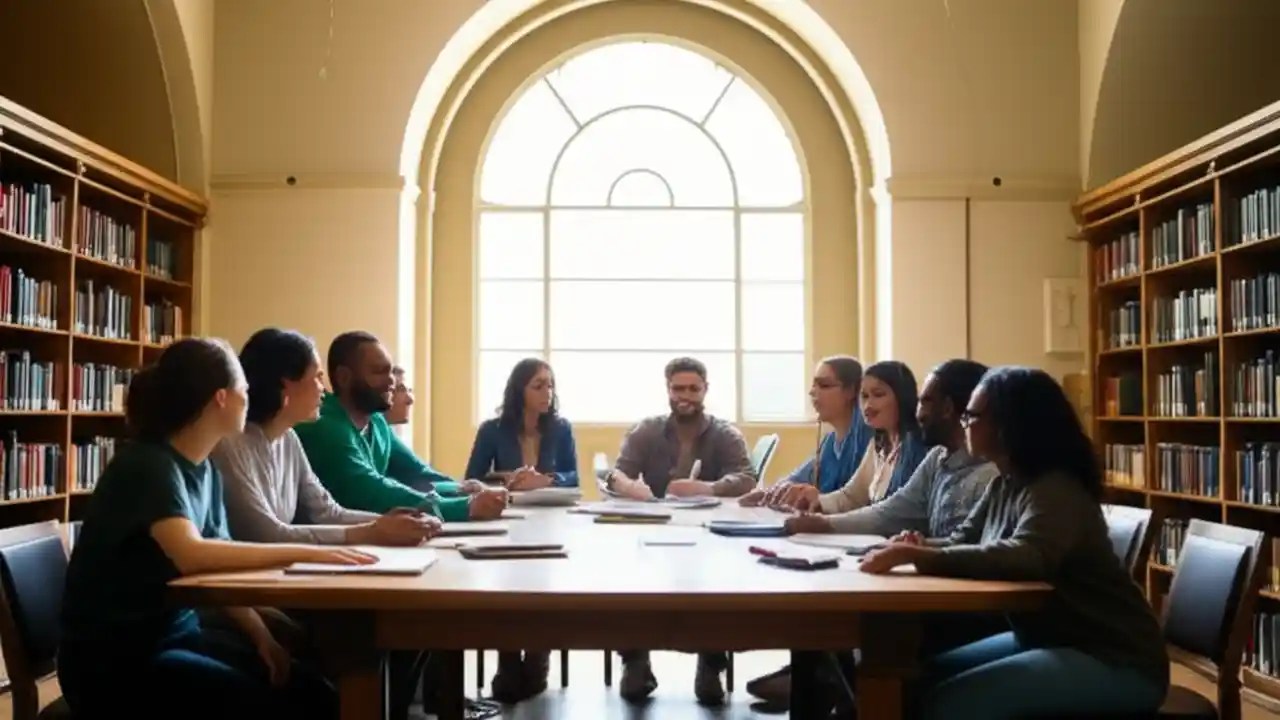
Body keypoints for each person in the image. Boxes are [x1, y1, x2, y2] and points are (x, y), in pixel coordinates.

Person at [57, 337, 377, 719]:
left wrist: (261, 636)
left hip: (178, 636)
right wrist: (309, 553)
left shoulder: (204, 468)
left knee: (315, 693)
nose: (250, 397)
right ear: (221, 398)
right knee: (275, 705)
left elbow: (218, 565)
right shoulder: (148, 464)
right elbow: (193, 555)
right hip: (117, 660)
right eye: (244, 388)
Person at [859, 367, 1170, 718]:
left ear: (1009, 425)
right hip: (1049, 637)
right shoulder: (1004, 483)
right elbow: (961, 540)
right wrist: (915, 546)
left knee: (949, 704)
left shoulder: (1055, 487)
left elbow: (1028, 555)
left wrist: (919, 556)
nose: (964, 423)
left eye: (972, 416)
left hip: (1112, 656)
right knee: (919, 679)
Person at [756, 359, 999, 710]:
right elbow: (892, 510)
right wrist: (824, 523)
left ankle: (851, 697)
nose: (919, 412)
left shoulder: (988, 475)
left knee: (839, 627)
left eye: (925, 402)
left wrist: (918, 550)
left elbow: (976, 550)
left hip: (952, 603)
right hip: (929, 584)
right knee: (818, 622)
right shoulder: (938, 459)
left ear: (950, 409)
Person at [600, 356, 755, 706]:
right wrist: (628, 486)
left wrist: (707, 488)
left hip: (709, 532)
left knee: (716, 582)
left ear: (705, 390)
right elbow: (616, 474)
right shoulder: (647, 430)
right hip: (653, 528)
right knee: (628, 578)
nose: (685, 396)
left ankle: (711, 664)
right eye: (678, 388)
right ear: (667, 390)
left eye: (693, 389)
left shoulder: (725, 433)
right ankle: (635, 662)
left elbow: (746, 478)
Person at [212, 328, 441, 545]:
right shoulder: (230, 445)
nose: (323, 388)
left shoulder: (288, 439)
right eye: (317, 377)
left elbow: (327, 512)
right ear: (286, 385)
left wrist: (392, 523)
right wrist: (371, 532)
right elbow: (267, 534)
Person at [294, 331, 506, 521]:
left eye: (390, 372)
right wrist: (463, 507)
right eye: (379, 372)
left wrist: (463, 489)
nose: (391, 381)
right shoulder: (325, 426)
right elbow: (373, 490)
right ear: (344, 377)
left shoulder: (377, 422)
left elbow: (416, 474)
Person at [463, 357, 578, 702]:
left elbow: (574, 477)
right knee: (508, 586)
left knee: (546, 584)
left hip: (551, 518)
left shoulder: (561, 428)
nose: (547, 392)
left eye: (550, 385)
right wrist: (507, 480)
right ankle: (508, 660)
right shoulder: (492, 429)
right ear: (519, 390)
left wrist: (547, 479)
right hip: (507, 517)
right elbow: (471, 479)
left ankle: (539, 657)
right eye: (538, 385)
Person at [770, 360, 929, 514]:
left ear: (902, 398)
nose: (868, 405)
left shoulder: (913, 448)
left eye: (878, 395)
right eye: (864, 396)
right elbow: (851, 496)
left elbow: (890, 514)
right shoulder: (878, 445)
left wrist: (826, 522)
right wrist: (816, 502)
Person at [738, 355, 873, 508]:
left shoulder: (869, 439)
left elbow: (857, 502)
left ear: (851, 391)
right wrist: (769, 493)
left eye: (824, 385)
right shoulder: (829, 443)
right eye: (813, 385)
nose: (812, 392)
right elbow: (797, 478)